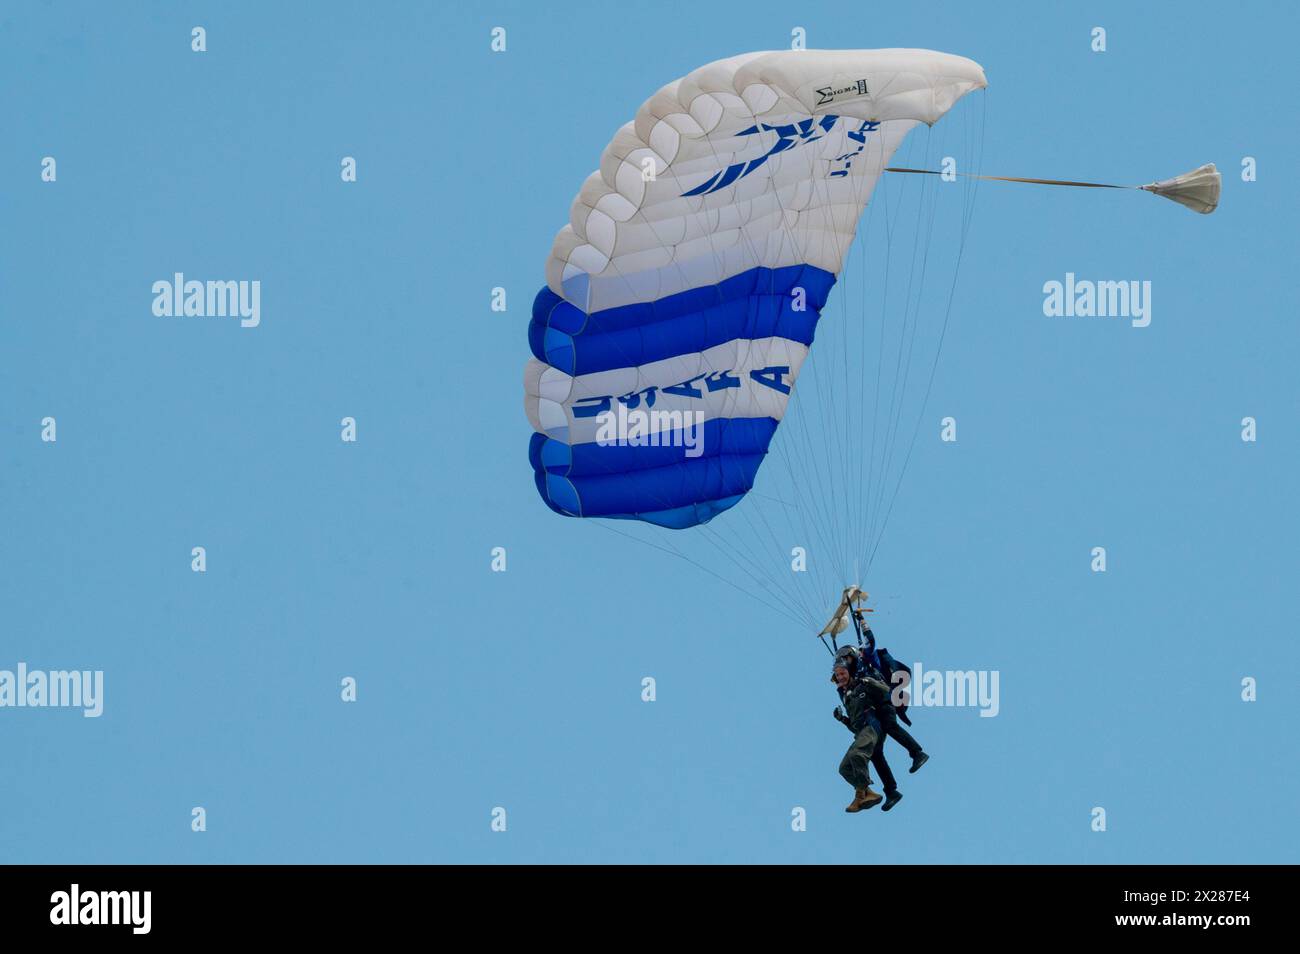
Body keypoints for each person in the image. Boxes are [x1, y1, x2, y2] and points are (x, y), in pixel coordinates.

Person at [854, 612, 929, 774]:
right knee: (876, 748)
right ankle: (891, 791)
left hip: (886, 699)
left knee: (890, 726)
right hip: (877, 705)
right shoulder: (859, 670)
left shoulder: (869, 656)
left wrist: (862, 621)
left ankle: (917, 753)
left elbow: (870, 639)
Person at [831, 647, 900, 812]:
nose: (840, 677)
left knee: (857, 755)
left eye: (843, 673)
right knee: (844, 768)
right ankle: (866, 792)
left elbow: (886, 691)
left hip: (872, 728)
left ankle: (862, 791)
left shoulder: (861, 684)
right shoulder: (847, 697)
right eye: (838, 675)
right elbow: (854, 726)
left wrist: (871, 681)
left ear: (850, 672)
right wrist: (843, 719)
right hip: (861, 732)